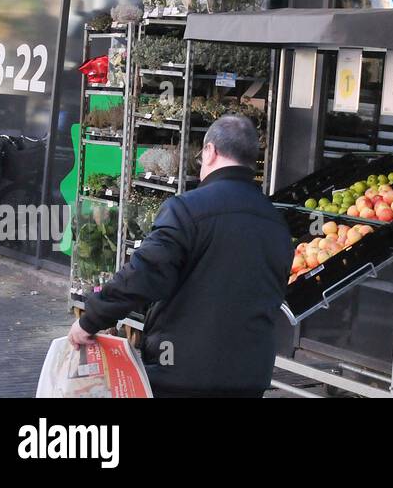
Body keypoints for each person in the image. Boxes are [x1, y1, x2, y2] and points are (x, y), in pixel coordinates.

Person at [67, 115, 293, 398]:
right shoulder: (277, 223)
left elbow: (145, 274)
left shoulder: (187, 209)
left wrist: (92, 319)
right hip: (249, 376)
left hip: (182, 375)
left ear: (210, 151)